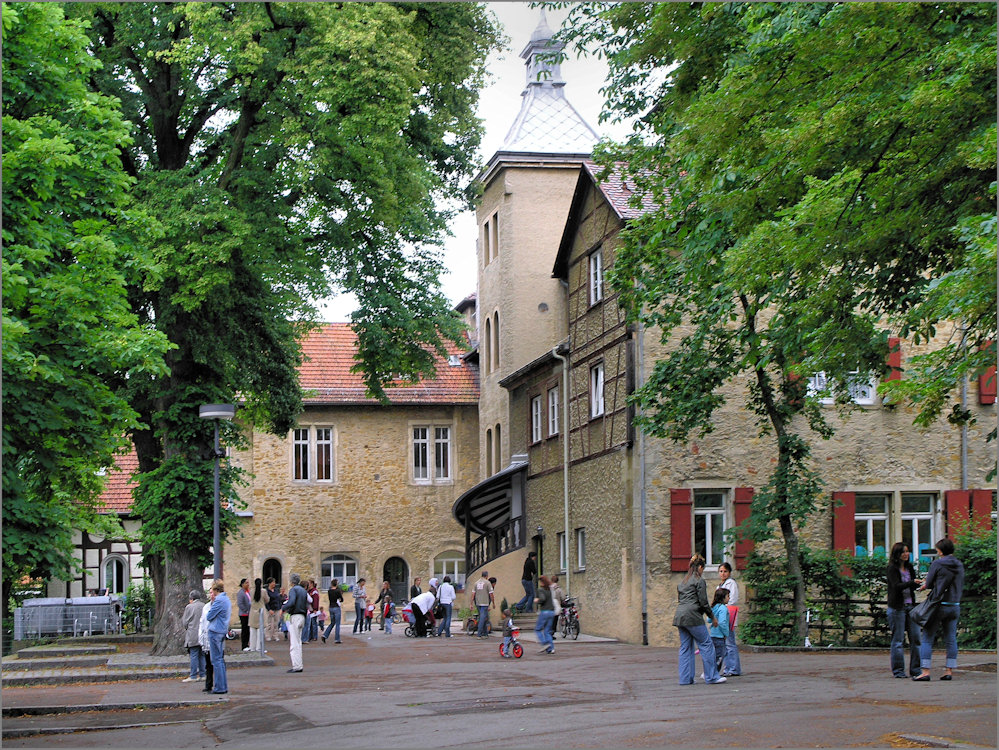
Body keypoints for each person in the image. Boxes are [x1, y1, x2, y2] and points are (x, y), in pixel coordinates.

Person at [913, 538, 965, 681]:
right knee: (951, 639)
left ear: (941, 551)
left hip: (938, 605)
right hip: (954, 604)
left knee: (927, 638)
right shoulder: (959, 564)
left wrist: (925, 584)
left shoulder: (938, 563)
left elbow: (929, 583)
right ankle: (949, 671)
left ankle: (925, 671)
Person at [673, 554, 726, 685]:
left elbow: (682, 600)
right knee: (706, 644)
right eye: (703, 569)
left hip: (680, 617)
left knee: (685, 647)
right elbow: (703, 602)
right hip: (693, 616)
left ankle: (685, 679)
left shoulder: (683, 582)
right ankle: (712, 676)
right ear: (700, 567)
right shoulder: (699, 580)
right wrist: (712, 617)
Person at [887, 542, 922, 678]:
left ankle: (916, 669)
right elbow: (896, 586)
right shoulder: (892, 569)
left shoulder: (909, 568)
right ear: (897, 554)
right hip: (897, 607)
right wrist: (912, 583)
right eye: (903, 552)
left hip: (910, 606)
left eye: (907, 551)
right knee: (898, 640)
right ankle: (898, 671)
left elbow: (911, 586)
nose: (906, 554)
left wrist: (920, 585)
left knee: (916, 638)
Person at [205, 579, 232, 694]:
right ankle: (223, 686)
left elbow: (209, 616)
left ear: (216, 589)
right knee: (220, 660)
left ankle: (219, 687)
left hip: (215, 631)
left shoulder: (219, 600)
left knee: (216, 660)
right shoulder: (226, 599)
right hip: (222, 630)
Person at [716, 562, 743, 677]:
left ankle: (734, 668)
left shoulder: (731, 583)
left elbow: (732, 600)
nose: (723, 574)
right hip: (721, 616)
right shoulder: (719, 586)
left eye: (725, 571)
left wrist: (722, 608)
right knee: (724, 644)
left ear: (729, 572)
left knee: (730, 643)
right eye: (721, 571)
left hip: (728, 615)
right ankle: (728, 667)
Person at [282, 572, 309, 673]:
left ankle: (296, 665)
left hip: (295, 615)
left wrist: (283, 608)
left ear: (291, 581)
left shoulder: (293, 590)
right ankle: (299, 664)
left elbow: (292, 602)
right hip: (302, 616)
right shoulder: (303, 591)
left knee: (294, 642)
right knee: (298, 641)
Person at [181, 590, 206, 683]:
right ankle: (203, 674)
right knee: (202, 654)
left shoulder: (189, 607)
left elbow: (185, 622)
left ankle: (193, 675)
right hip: (203, 634)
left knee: (194, 655)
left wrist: (187, 627)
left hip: (193, 634)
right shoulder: (204, 606)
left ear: (191, 599)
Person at [709, 588, 731, 673]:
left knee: (712, 655)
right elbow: (722, 622)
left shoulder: (714, 607)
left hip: (713, 634)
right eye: (728, 596)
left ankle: (709, 671)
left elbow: (709, 619)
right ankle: (714, 674)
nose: (729, 598)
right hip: (720, 636)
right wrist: (726, 633)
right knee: (719, 656)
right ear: (723, 597)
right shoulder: (723, 608)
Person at [534, 575, 556, 654]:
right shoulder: (549, 589)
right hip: (551, 612)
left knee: (538, 629)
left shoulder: (541, 590)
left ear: (542, 582)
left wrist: (537, 600)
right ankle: (551, 648)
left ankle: (545, 643)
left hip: (545, 612)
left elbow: (542, 599)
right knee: (547, 631)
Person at [198, 592, 214, 693]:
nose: (211, 594)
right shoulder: (206, 606)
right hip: (206, 638)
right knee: (208, 664)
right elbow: (202, 622)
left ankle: (219, 684)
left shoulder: (220, 605)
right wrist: (200, 637)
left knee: (216, 663)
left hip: (215, 637)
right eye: (210, 592)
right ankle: (208, 685)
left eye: (213, 592)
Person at [471, 570, 494, 638]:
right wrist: (493, 602)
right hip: (485, 602)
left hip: (478, 603)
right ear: (486, 576)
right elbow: (491, 594)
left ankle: (485, 633)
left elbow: (473, 594)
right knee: (482, 618)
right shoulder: (487, 583)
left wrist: (471, 603)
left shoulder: (476, 583)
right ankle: (479, 634)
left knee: (484, 618)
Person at [322, 578, 343, 644]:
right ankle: (337, 639)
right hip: (336, 607)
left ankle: (325, 635)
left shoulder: (329, 591)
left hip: (331, 607)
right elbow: (341, 599)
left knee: (332, 623)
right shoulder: (337, 591)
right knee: (337, 624)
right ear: (336, 584)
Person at [248, 578, 265, 652]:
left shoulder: (251, 591)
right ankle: (259, 647)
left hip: (253, 612)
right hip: (261, 612)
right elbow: (267, 599)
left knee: (252, 631)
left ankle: (252, 647)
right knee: (260, 631)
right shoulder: (263, 591)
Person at [264, 578, 281, 642]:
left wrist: (280, 607)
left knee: (276, 623)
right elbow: (266, 601)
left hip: (276, 608)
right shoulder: (267, 591)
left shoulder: (276, 590)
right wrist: (269, 609)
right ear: (269, 583)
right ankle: (268, 636)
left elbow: (278, 599)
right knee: (269, 623)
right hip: (270, 608)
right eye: (273, 582)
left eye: (274, 582)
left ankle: (275, 636)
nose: (274, 584)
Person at [236, 578, 251, 651]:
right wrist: (246, 610)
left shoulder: (247, 592)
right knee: (245, 630)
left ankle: (247, 644)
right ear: (242, 584)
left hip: (248, 614)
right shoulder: (241, 593)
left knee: (248, 630)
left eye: (248, 583)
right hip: (244, 614)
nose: (248, 584)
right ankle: (244, 645)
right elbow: (240, 604)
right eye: (246, 583)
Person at [548, 574, 564, 639]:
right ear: (557, 581)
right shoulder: (558, 589)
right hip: (556, 606)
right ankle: (551, 633)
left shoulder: (548, 588)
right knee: (554, 620)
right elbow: (563, 597)